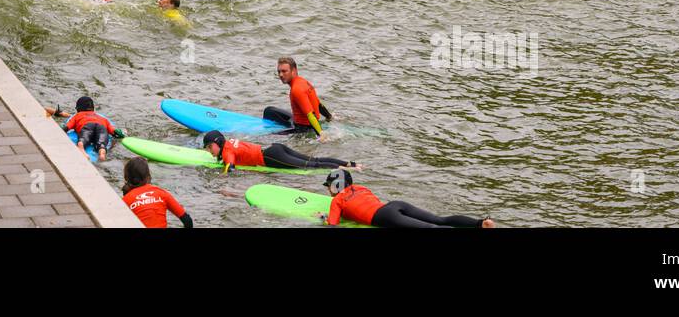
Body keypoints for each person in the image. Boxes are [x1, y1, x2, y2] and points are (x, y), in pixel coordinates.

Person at [320, 169, 493, 229]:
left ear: (336, 185)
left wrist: (322, 218)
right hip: (395, 205)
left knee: (430, 228)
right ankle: (479, 224)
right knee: (439, 220)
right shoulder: (360, 187)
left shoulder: (337, 201)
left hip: (385, 217)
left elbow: (333, 225)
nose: (328, 189)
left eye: (329, 185)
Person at [201, 130, 359, 173]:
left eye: (209, 147)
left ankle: (344, 169)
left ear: (217, 143)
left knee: (311, 166)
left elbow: (230, 169)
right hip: (275, 148)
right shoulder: (230, 143)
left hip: (272, 157)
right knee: (315, 160)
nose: (209, 151)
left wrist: (219, 176)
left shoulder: (227, 151)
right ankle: (351, 164)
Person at [266, 56, 333, 137]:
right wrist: (329, 117)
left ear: (293, 71)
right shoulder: (303, 82)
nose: (280, 75)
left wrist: (321, 134)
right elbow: (318, 104)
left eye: (284, 71)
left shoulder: (296, 89)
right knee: (269, 111)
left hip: (303, 129)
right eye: (279, 71)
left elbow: (311, 115)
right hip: (302, 122)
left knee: (269, 136)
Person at [122, 158, 192, 228]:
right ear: (148, 176)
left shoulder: (125, 201)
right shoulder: (161, 193)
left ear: (126, 177)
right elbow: (187, 220)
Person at [56, 96, 124, 162]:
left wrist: (62, 129)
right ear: (93, 108)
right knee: (101, 142)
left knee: (84, 137)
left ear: (78, 109)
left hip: (87, 126)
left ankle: (81, 145)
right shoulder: (103, 118)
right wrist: (117, 132)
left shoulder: (77, 115)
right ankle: (102, 152)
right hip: (101, 127)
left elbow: (67, 127)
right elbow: (113, 130)